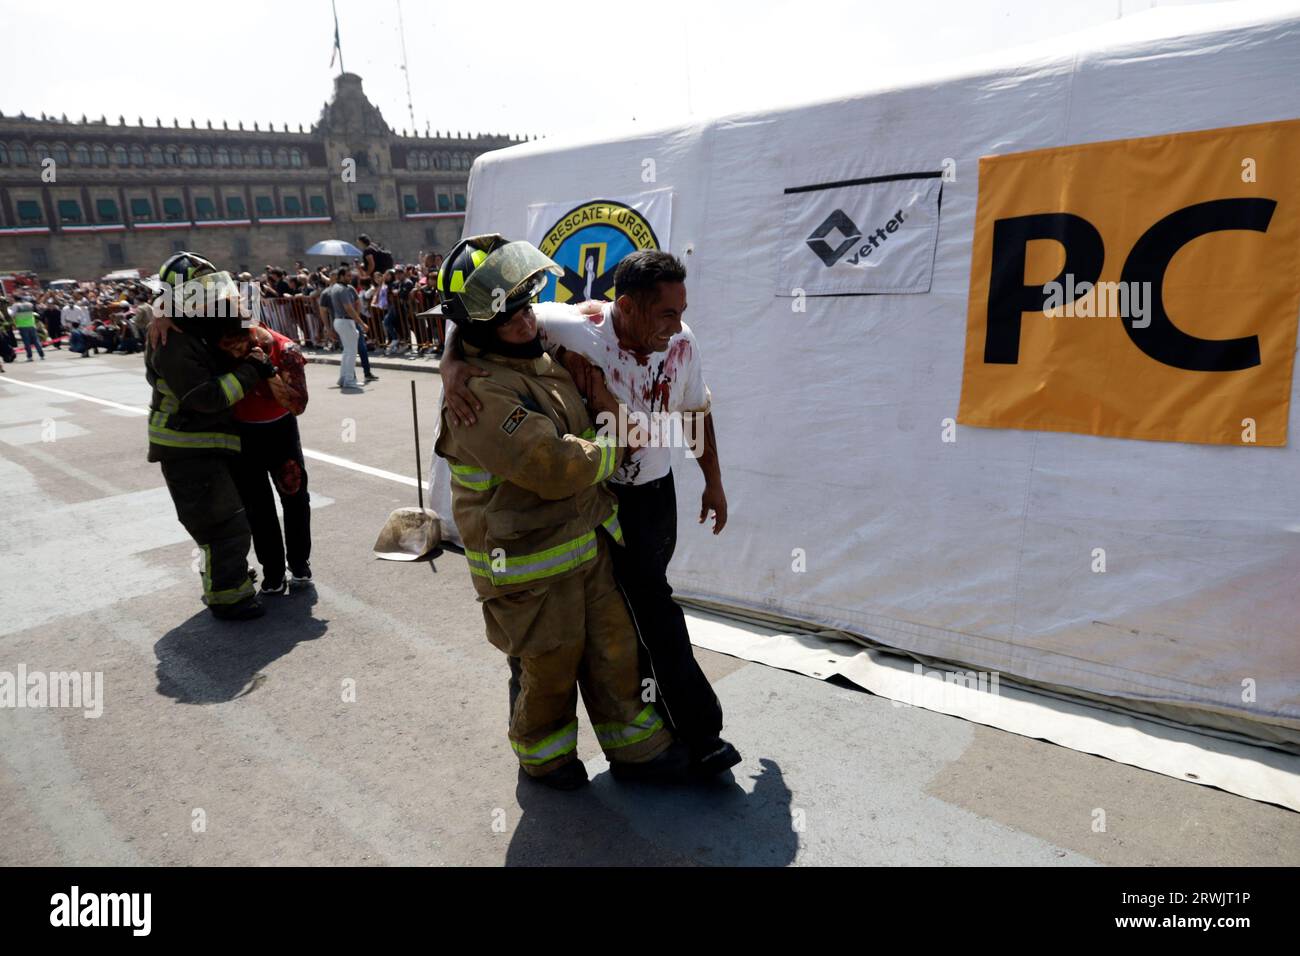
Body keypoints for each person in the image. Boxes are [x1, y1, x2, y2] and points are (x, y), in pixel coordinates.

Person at [441, 250, 740, 776]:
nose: (677, 326)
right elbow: (482, 321)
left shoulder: (680, 345)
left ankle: (668, 738)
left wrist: (713, 483)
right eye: (665, 314)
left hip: (637, 504)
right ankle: (611, 744)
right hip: (579, 512)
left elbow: (696, 414)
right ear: (624, 306)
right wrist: (452, 364)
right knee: (565, 643)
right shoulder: (572, 332)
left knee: (634, 626)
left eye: (681, 311)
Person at [145, 251, 273, 621]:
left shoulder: (193, 323)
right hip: (188, 446)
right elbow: (206, 398)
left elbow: (244, 309)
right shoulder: (174, 341)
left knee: (221, 520)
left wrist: (158, 307)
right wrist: (252, 370)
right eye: (197, 295)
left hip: (204, 444)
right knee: (222, 523)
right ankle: (229, 597)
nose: (210, 301)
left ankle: (223, 575)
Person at [223, 321, 313, 594]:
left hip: (280, 433)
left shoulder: (286, 350)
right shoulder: (220, 346)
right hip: (242, 436)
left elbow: (298, 405)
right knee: (257, 508)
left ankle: (299, 563)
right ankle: (272, 570)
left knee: (294, 497)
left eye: (238, 346)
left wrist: (268, 374)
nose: (233, 353)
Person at [318, 266, 365, 389]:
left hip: (339, 321)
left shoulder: (335, 288)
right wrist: (361, 323)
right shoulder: (343, 289)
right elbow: (349, 308)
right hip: (345, 321)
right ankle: (349, 380)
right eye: (348, 276)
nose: (350, 278)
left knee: (347, 352)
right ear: (341, 276)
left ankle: (343, 378)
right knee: (351, 352)